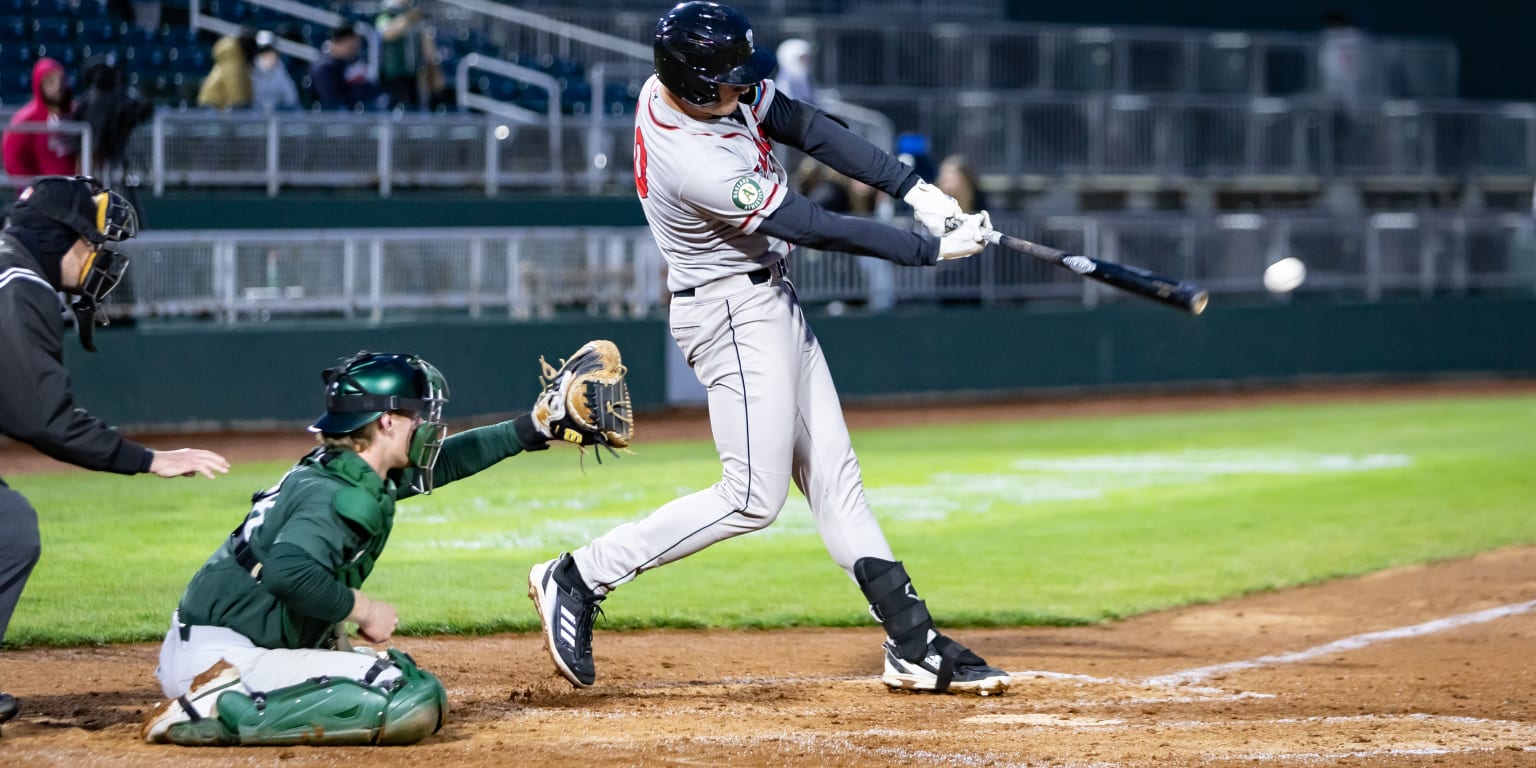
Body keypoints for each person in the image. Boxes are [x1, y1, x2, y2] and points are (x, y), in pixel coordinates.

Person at [528, 1, 1006, 697]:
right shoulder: (694, 159)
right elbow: (807, 222)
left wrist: (914, 188)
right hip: (729, 313)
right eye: (728, 79)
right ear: (693, 84)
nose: (743, 86)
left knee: (836, 480)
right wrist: (926, 249)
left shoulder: (694, 91)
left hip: (766, 298)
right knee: (752, 496)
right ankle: (579, 574)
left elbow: (804, 124)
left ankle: (913, 643)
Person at [141, 343, 631, 746]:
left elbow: (447, 462)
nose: (428, 426)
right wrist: (365, 609)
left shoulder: (345, 465)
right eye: (419, 415)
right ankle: (213, 710)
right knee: (410, 700)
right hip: (224, 658)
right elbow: (288, 572)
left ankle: (241, 687)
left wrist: (535, 426)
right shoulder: (337, 492)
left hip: (221, 640)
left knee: (403, 682)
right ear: (387, 422)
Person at [0, 175, 231, 737]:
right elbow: (41, 416)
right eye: (91, 243)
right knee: (9, 532)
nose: (95, 257)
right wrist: (147, 459)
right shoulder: (20, 284)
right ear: (62, 237)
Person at [73, 54, 155, 186]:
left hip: (116, 156)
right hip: (90, 160)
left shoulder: (124, 98)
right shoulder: (87, 102)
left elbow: (145, 109)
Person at [2, 58, 78, 180]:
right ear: (39, 84)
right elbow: (13, 159)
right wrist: (30, 187)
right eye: (50, 81)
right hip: (40, 189)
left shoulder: (76, 114)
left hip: (74, 187)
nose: (58, 86)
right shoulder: (26, 121)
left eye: (61, 80)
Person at [375, 0, 443, 111]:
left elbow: (427, 42)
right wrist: (407, 18)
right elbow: (387, 34)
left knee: (414, 109)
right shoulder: (386, 13)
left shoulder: (415, 13)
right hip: (393, 74)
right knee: (396, 109)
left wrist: (433, 66)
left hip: (414, 73)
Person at [310, 26, 382, 111]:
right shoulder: (324, 67)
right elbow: (333, 102)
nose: (356, 49)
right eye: (352, 47)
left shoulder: (345, 63)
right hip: (332, 116)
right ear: (344, 41)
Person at [196, 31, 255, 110]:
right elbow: (235, 85)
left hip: (212, 103)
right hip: (212, 104)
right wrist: (242, 104)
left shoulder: (235, 58)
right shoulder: (233, 61)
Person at [251, 33, 300, 112]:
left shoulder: (280, 68)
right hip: (256, 115)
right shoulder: (252, 70)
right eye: (264, 50)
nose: (269, 54)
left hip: (279, 114)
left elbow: (291, 98)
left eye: (271, 50)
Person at [774, 37, 816, 106]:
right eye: (803, 58)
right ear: (789, 59)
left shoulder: (807, 80)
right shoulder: (784, 86)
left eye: (809, 58)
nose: (808, 62)